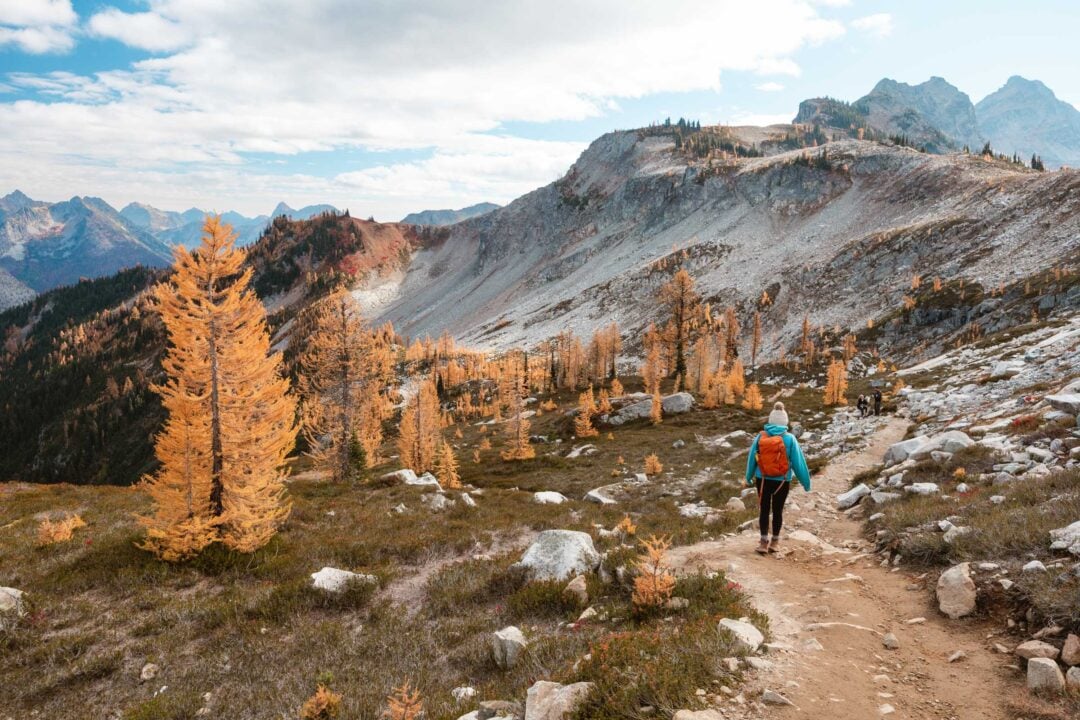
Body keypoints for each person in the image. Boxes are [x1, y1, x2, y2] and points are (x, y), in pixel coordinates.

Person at [745, 401, 812, 555]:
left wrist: (748, 477)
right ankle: (775, 542)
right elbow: (799, 463)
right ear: (785, 421)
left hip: (762, 479)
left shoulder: (760, 436)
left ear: (771, 420)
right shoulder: (790, 439)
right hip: (782, 481)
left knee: (764, 510)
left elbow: (752, 459)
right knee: (777, 510)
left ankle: (763, 542)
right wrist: (806, 483)